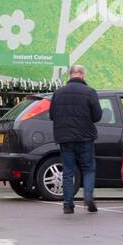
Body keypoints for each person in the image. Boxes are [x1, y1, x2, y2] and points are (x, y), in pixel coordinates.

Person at [50, 64, 102, 214]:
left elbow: (52, 115)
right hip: (85, 137)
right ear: (83, 75)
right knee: (88, 169)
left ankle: (67, 204)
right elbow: (97, 116)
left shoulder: (58, 93)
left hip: (65, 138)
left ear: (70, 75)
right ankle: (88, 196)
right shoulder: (90, 92)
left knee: (68, 171)